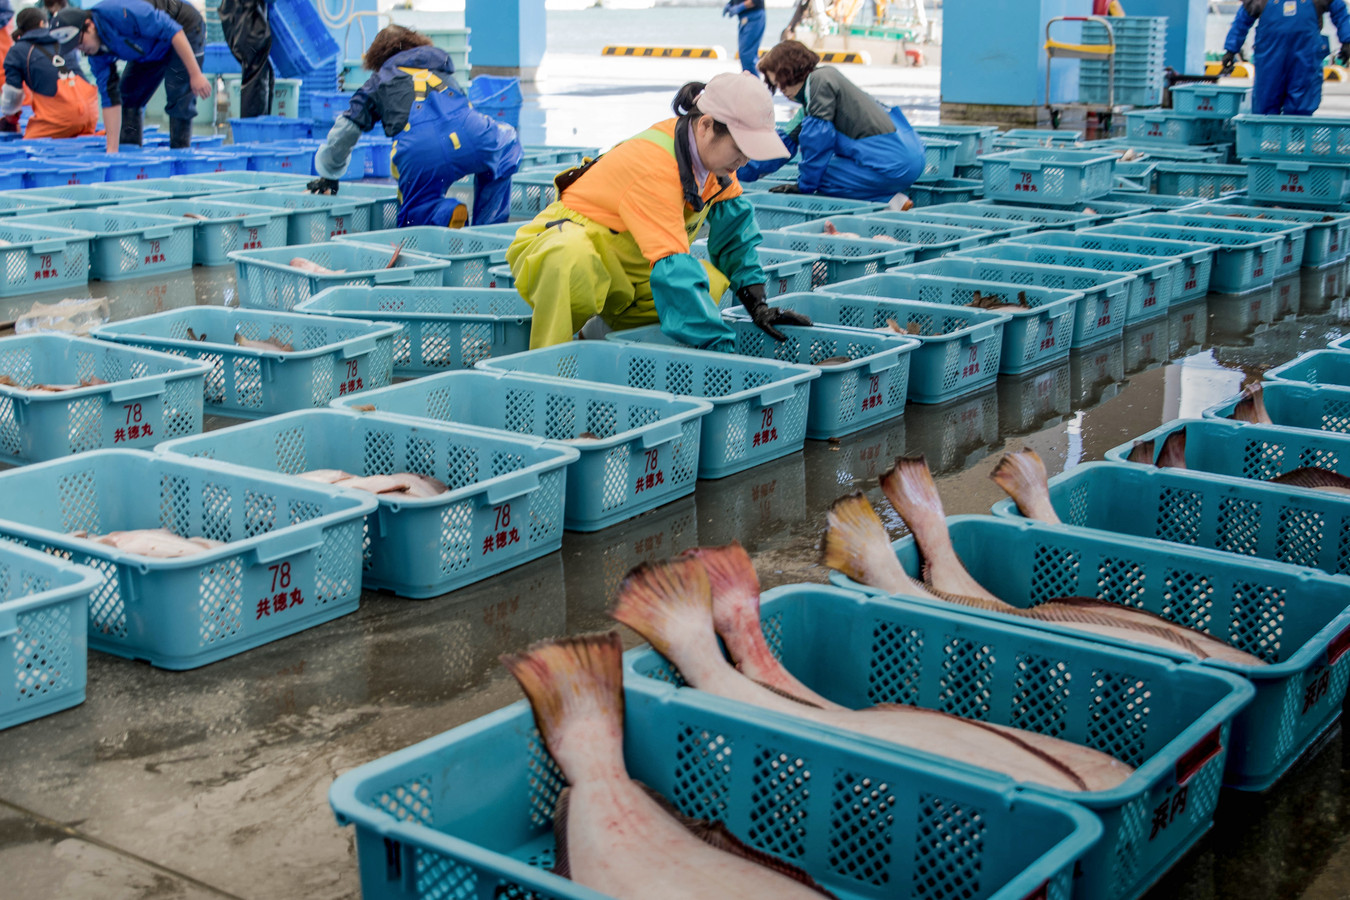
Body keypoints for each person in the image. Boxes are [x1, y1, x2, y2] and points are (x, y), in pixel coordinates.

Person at [505, 72, 812, 351]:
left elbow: (736, 239)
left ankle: (597, 336)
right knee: (570, 257)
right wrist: (720, 348)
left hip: (628, 267)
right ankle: (549, 367)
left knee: (710, 281)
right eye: (740, 148)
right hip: (565, 247)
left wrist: (757, 303)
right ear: (706, 126)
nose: (744, 161)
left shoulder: (718, 170)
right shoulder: (655, 164)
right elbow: (673, 269)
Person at [308, 25, 522, 228]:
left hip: (420, 150)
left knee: (415, 218)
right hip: (473, 133)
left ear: (377, 58)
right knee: (506, 148)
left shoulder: (377, 81)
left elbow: (346, 130)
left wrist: (329, 172)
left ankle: (442, 213)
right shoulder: (442, 70)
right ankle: (487, 232)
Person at [740, 40, 925, 205]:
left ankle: (890, 201)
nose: (782, 91)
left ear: (791, 71)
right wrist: (735, 169)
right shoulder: (816, 94)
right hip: (911, 155)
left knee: (821, 178)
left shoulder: (819, 82)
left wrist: (804, 186)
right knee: (820, 171)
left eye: (781, 83)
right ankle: (891, 197)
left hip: (894, 162)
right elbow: (779, 147)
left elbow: (817, 140)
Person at [50, 0, 211, 151]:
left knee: (179, 94)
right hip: (149, 48)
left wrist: (195, 74)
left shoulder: (123, 13)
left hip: (183, 30)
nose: (81, 49)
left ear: (90, 26)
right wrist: (112, 151)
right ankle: (130, 153)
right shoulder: (96, 54)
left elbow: (174, 31)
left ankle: (180, 155)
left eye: (80, 43)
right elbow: (110, 97)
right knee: (128, 95)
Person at [1222, 0, 1350, 115]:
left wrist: (1347, 41)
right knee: (1266, 102)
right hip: (1270, 60)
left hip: (1305, 59)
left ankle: (1297, 138)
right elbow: (1242, 21)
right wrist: (1231, 49)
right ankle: (1268, 138)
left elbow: (1340, 12)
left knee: (1301, 105)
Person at [0, 6, 97, 135]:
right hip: (90, 114)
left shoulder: (17, 50)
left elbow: (13, 94)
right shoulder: (65, 41)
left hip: (57, 120)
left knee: (28, 145)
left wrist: (10, 120)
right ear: (43, 23)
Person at [218, 0, 270, 118]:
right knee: (255, 80)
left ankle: (254, 127)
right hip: (249, 21)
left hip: (240, 17)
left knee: (253, 76)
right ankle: (253, 130)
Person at [723, 0, 765, 76]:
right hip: (744, 18)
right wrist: (731, 4)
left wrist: (740, 7)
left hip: (754, 16)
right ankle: (749, 82)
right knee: (744, 55)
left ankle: (754, 84)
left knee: (748, 55)